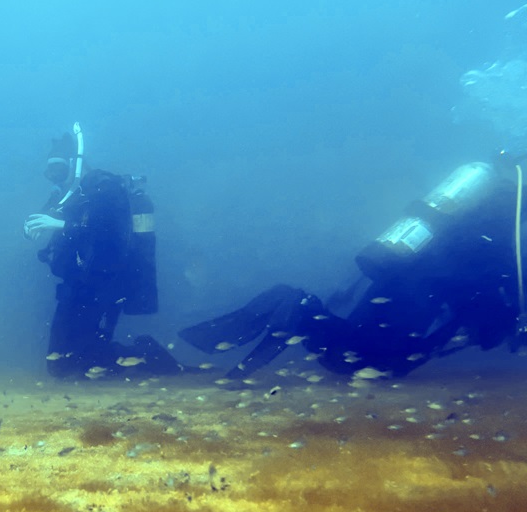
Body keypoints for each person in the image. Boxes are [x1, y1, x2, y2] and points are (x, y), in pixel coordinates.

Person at [180, 156, 527, 382]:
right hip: (385, 352)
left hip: (372, 324)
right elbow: (490, 330)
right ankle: (275, 330)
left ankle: (250, 345)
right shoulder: (491, 249)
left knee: (325, 327)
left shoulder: (442, 235)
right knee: (343, 343)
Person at [23, 122, 182, 379]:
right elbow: (44, 220)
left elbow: (111, 235)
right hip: (76, 286)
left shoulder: (105, 187)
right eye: (50, 173)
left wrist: (63, 225)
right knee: (60, 365)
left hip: (106, 284)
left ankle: (150, 356)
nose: (56, 178)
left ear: (75, 163)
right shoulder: (67, 195)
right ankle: (125, 357)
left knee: (86, 361)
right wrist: (30, 226)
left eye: (59, 170)